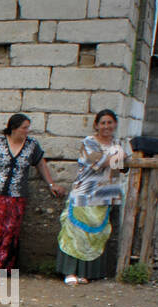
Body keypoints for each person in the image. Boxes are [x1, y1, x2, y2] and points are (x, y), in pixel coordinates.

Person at [0, 113, 63, 274]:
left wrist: (51, 184)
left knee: (9, 230)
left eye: (28, 128)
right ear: (14, 128)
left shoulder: (32, 145)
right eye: (24, 128)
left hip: (16, 196)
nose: (27, 131)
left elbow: (40, 164)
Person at [56, 109, 129, 285]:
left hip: (106, 193)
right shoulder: (89, 142)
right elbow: (98, 163)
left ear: (115, 124)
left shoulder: (117, 143)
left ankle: (86, 272)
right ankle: (70, 271)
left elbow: (123, 167)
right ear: (96, 125)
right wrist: (118, 155)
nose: (106, 126)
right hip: (85, 192)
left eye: (110, 122)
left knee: (97, 234)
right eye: (103, 123)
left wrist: (120, 157)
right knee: (76, 232)